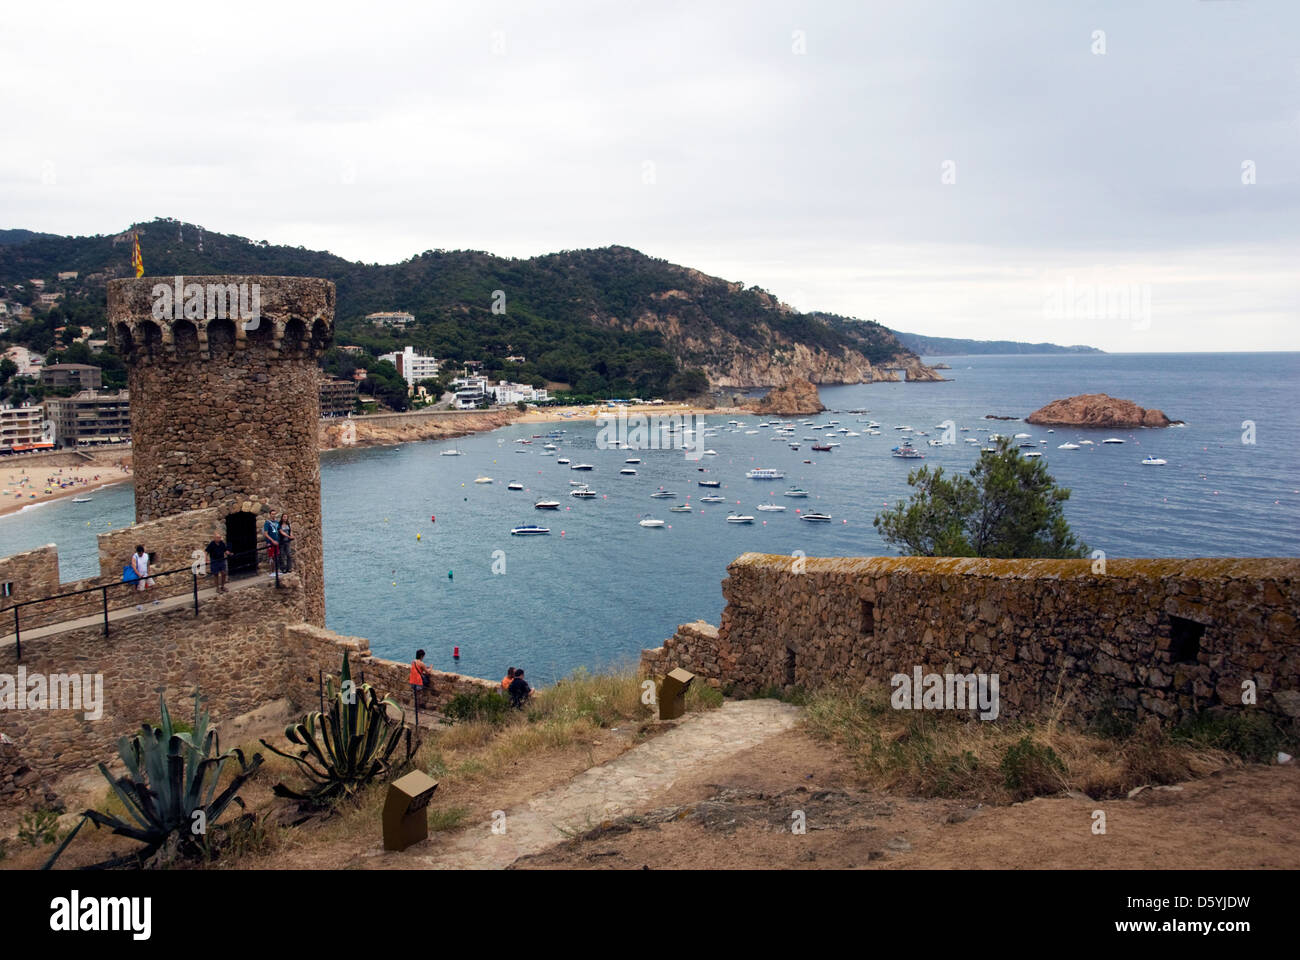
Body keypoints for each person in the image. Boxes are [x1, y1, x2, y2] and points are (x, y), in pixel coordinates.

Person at [132, 544, 157, 610]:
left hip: (146, 574)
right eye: (139, 553)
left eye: (141, 553)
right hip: (140, 576)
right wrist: (139, 575)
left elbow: (148, 564)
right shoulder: (135, 556)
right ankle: (139, 604)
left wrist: (148, 573)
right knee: (141, 590)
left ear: (143, 552)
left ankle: (154, 600)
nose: (140, 554)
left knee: (152, 585)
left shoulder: (146, 555)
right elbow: (134, 567)